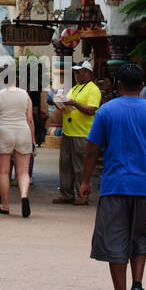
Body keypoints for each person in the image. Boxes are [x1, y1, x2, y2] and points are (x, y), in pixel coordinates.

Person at [80, 63, 146, 290]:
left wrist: (85, 181)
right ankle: (138, 287)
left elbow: (92, 150)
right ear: (142, 85)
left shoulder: (107, 112)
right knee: (139, 236)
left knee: (114, 240)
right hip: (144, 186)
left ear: (118, 84)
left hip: (115, 185)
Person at [0, 61, 36, 216]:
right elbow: (30, 119)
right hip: (23, 132)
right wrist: (33, 140)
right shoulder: (25, 95)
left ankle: (5, 205)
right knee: (23, 172)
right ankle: (23, 196)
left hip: (4, 132)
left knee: (3, 172)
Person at [56, 60, 100, 205]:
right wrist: (59, 103)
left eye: (79, 72)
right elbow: (68, 105)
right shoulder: (74, 88)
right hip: (68, 132)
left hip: (82, 133)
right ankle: (66, 194)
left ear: (88, 73)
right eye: (75, 72)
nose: (77, 75)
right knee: (65, 165)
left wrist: (74, 103)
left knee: (81, 167)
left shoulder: (93, 89)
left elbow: (91, 110)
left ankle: (83, 195)